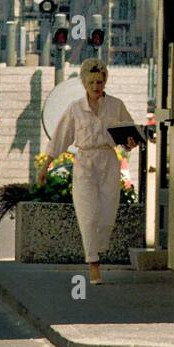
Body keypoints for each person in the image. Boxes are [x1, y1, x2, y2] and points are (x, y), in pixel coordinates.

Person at [37, 59, 139, 285]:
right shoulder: (75, 108)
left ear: (105, 82)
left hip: (108, 160)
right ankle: (93, 263)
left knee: (106, 214)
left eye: (100, 82)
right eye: (92, 82)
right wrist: (45, 166)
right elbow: (61, 137)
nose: (96, 86)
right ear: (84, 83)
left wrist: (131, 142)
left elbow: (129, 135)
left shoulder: (116, 105)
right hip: (85, 161)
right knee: (87, 213)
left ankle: (98, 248)